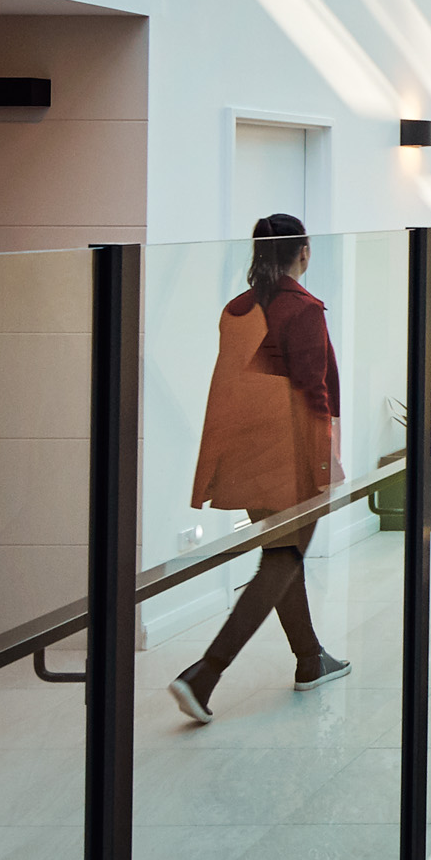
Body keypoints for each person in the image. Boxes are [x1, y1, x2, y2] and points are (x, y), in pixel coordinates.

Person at [170, 214, 349, 723]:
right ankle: (203, 674)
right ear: (304, 253)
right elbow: (312, 393)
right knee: (282, 560)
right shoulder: (303, 310)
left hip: (246, 453)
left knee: (282, 554)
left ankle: (310, 660)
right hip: (290, 454)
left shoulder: (237, 310)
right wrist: (323, 462)